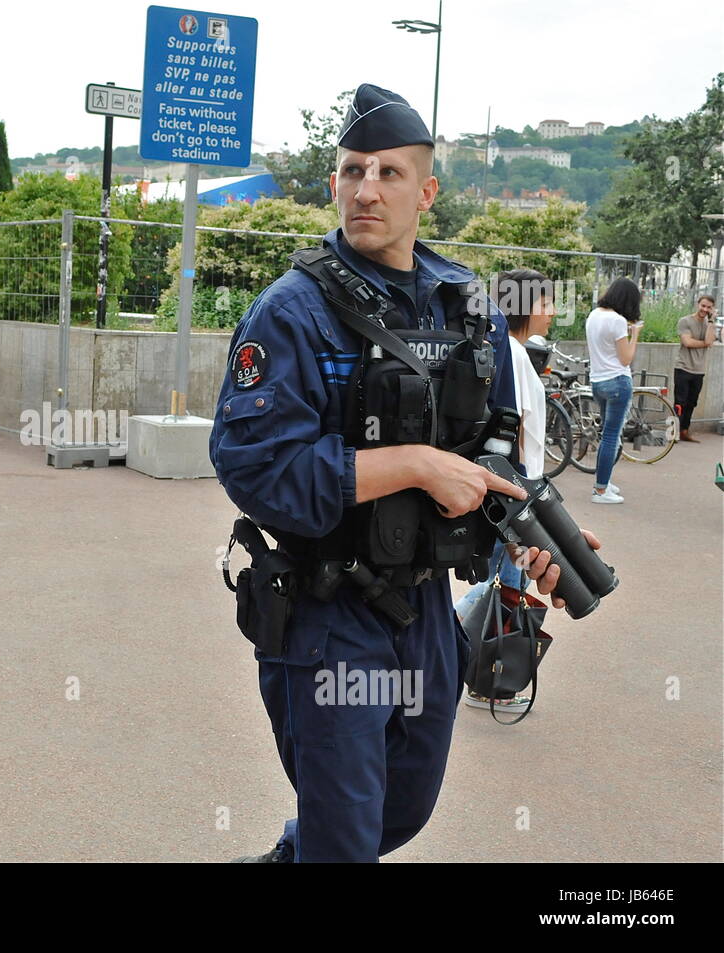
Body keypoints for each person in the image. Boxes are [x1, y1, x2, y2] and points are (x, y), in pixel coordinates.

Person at [210, 84, 600, 863]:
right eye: (353, 170)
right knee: (348, 832)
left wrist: (524, 542)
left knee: (403, 806)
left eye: (389, 173)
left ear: (426, 191)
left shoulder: (464, 306)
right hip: (328, 610)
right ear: (333, 185)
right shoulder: (291, 311)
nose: (366, 188)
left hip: (425, 608)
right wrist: (413, 464)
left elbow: (484, 455)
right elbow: (255, 467)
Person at [454, 269, 554, 714]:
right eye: (546, 302)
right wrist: (521, 500)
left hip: (511, 494)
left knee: (505, 583)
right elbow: (511, 429)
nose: (551, 312)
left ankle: (486, 675)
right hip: (512, 497)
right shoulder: (511, 354)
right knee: (504, 586)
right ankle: (484, 675)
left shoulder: (509, 349)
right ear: (526, 306)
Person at [584, 278, 643, 503]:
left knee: (607, 435)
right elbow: (625, 358)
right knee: (611, 436)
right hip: (618, 381)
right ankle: (600, 490)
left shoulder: (594, 315)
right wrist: (635, 334)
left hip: (598, 382)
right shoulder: (617, 320)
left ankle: (604, 482)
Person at [673, 294, 719, 442]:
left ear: (712, 309)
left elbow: (710, 341)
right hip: (683, 367)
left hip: (699, 370)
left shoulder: (709, 324)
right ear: (697, 304)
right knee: (680, 402)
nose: (705, 309)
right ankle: (673, 432)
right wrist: (705, 343)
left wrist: (711, 321)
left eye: (708, 307)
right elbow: (687, 343)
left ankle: (684, 431)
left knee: (692, 402)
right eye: (703, 305)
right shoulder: (685, 321)